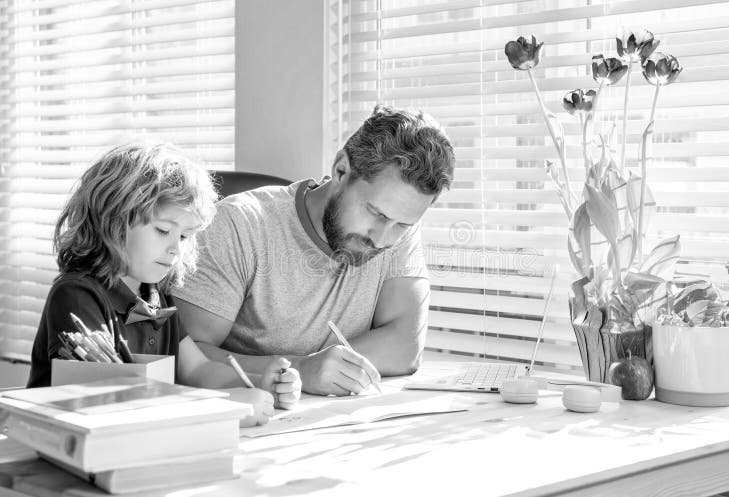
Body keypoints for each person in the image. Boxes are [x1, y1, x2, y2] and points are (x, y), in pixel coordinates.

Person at [174, 105, 456, 396]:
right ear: (341, 170)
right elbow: (183, 353)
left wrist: (324, 368)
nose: (382, 239)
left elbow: (404, 347)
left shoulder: (397, 229)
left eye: (403, 224)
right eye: (377, 214)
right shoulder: (238, 224)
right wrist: (301, 370)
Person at [27, 143, 301, 427]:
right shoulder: (77, 296)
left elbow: (198, 369)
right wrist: (222, 410)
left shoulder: (155, 299)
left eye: (184, 237)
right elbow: (112, 400)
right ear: (113, 220)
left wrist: (254, 385)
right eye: (163, 231)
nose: (175, 249)